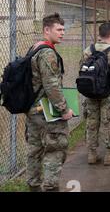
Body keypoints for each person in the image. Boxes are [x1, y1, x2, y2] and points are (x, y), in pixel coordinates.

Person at [26, 13, 73, 192]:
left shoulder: (34, 47)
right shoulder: (47, 52)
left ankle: (34, 187)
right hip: (46, 111)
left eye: (63, 29)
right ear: (47, 30)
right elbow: (52, 86)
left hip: (32, 109)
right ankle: (51, 188)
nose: (62, 33)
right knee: (55, 149)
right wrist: (64, 109)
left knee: (35, 150)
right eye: (59, 29)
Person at [82, 22, 110, 166]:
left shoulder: (87, 51)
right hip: (109, 94)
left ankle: (92, 154)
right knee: (108, 123)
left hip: (91, 93)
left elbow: (83, 71)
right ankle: (109, 155)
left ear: (99, 35)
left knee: (91, 123)